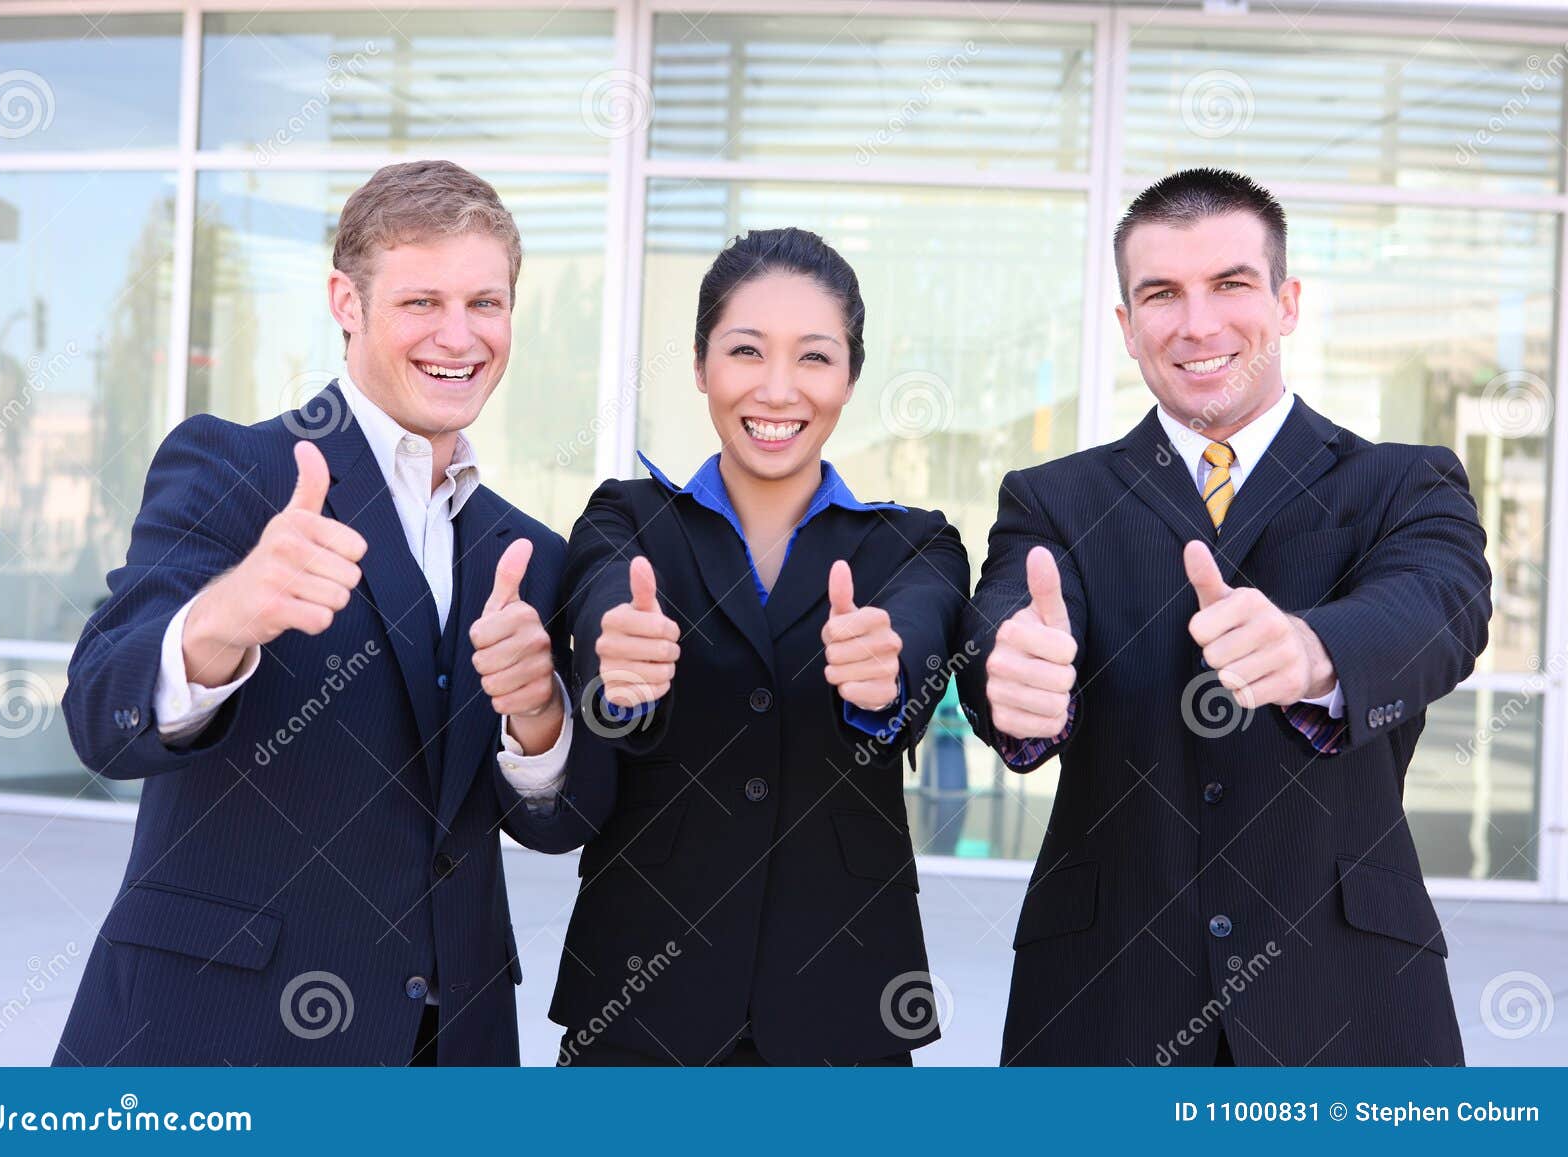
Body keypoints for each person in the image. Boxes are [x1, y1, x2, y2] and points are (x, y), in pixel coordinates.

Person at [55, 160, 614, 1066]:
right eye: (420, 302)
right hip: (221, 1038)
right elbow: (101, 718)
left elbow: (557, 823)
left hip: (449, 1049)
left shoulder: (530, 551)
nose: (459, 335)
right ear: (345, 304)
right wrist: (224, 617)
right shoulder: (238, 470)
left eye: (486, 303)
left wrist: (541, 714)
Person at [956, 168, 1490, 1066]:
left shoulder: (1406, 481)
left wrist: (1314, 648)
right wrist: (1009, 672)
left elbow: (1439, 607)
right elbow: (1011, 614)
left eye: (1231, 284)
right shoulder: (1052, 498)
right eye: (1161, 294)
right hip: (1104, 995)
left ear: (1285, 302)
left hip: (1347, 993)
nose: (1197, 324)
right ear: (1127, 328)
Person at [549, 228, 969, 1066]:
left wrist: (884, 679)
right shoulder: (627, 518)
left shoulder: (914, 545)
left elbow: (919, 635)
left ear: (850, 376)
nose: (779, 389)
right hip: (641, 1011)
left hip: (845, 1008)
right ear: (702, 366)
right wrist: (616, 664)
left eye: (814, 357)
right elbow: (603, 607)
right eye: (746, 350)